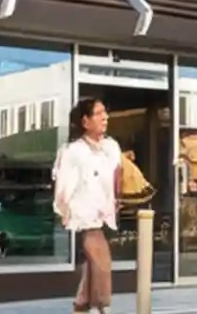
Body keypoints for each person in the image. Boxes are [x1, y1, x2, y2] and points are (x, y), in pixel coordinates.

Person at [53, 97, 122, 314]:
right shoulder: (73, 151)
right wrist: (64, 211)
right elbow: (63, 184)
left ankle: (82, 306)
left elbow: (117, 175)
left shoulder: (111, 147)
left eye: (105, 113)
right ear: (85, 121)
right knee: (101, 260)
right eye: (99, 114)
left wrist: (117, 200)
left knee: (92, 265)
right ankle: (101, 305)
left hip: (107, 215)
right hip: (83, 216)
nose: (105, 118)